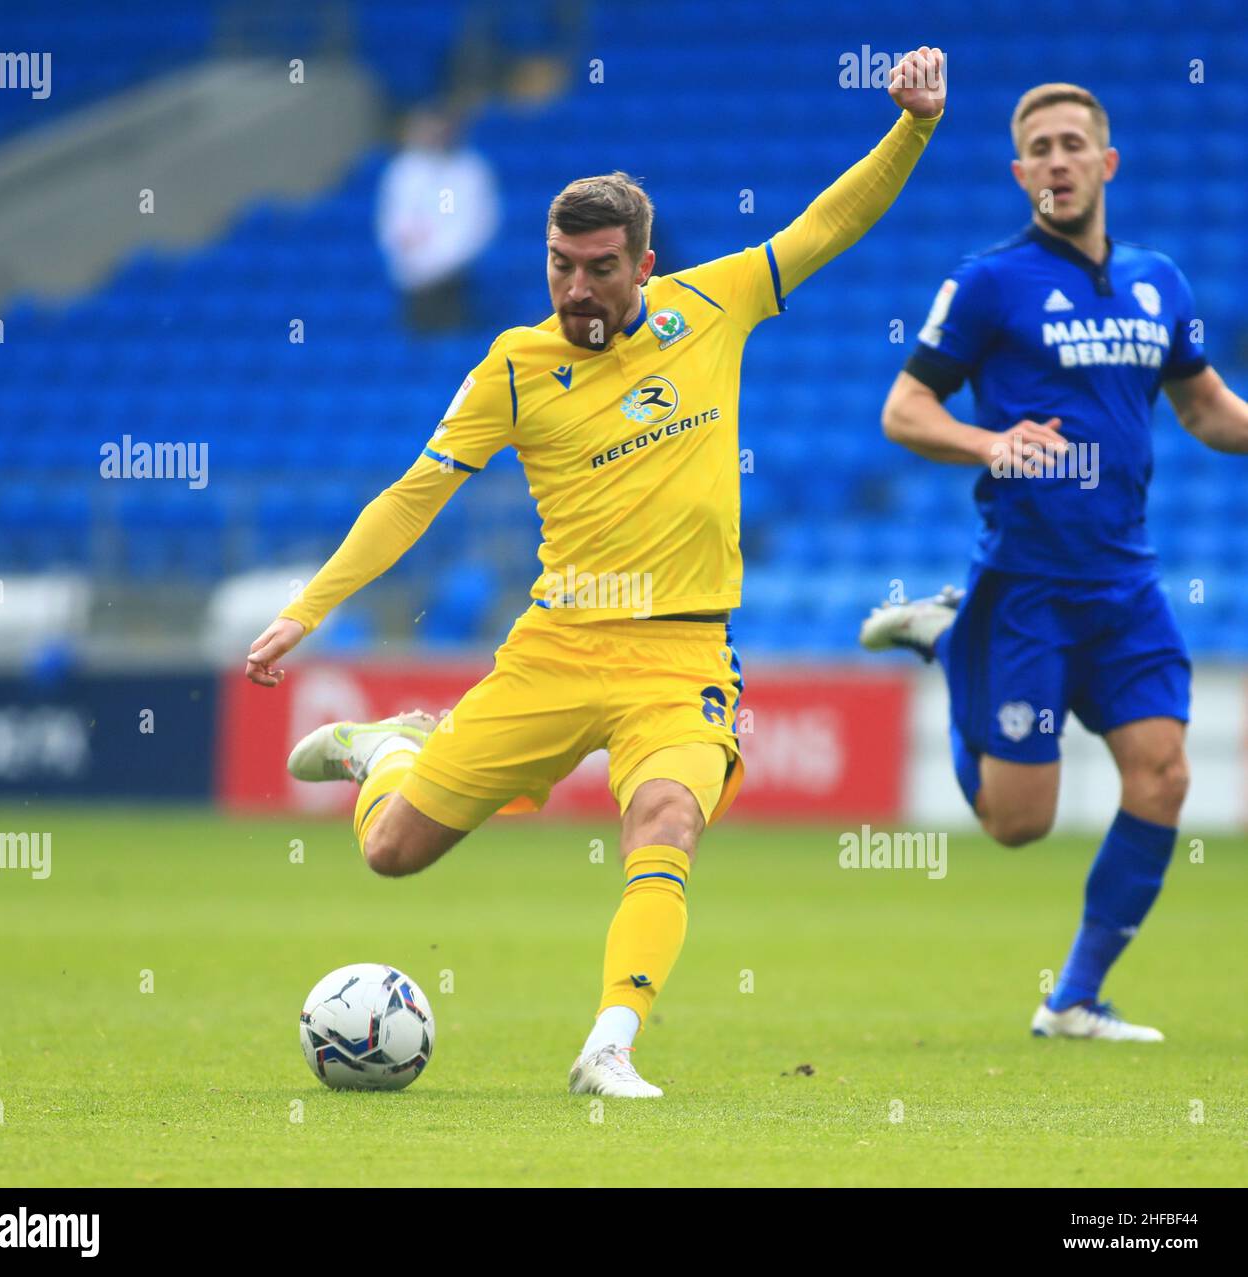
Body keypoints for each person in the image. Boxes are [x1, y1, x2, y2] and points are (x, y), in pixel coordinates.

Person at [249, 49, 947, 1095]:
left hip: (679, 654)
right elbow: (413, 495)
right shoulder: (514, 367)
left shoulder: (715, 307)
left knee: (665, 821)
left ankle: (609, 1041)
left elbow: (829, 225)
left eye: (598, 267)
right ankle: (383, 749)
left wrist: (912, 128)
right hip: (558, 646)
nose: (576, 288)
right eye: (560, 264)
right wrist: (308, 610)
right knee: (391, 852)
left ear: (644, 263)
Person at [860, 83, 1248, 1041]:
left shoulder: (1161, 282)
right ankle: (956, 640)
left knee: (1162, 776)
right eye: (1042, 148)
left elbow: (1207, 411)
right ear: (1021, 173)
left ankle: (1073, 996)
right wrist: (988, 444)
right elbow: (904, 409)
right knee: (1017, 822)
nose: (1061, 159)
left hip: (1126, 585)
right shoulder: (988, 282)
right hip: (1026, 585)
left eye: (1076, 143)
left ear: (1107, 163)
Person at [376, 108, 500, 332]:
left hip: (456, 281)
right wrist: (413, 258)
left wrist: (437, 262)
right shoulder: (404, 170)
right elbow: (393, 223)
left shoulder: (469, 171)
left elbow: (475, 227)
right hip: (412, 281)